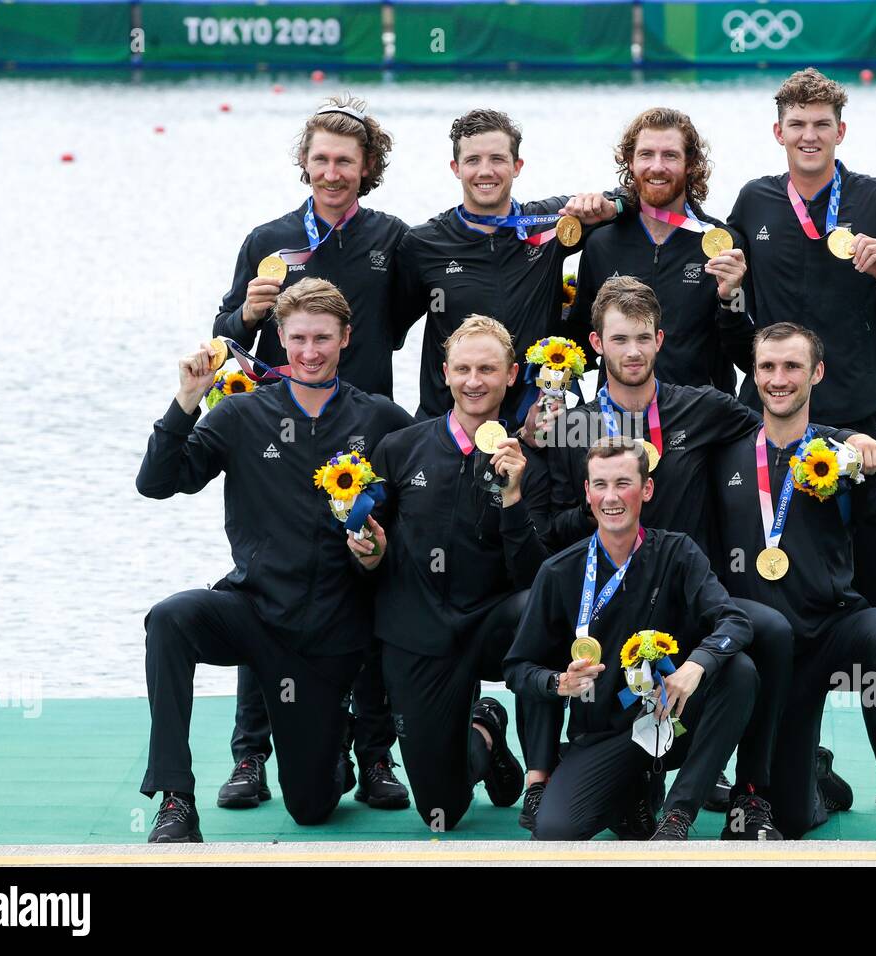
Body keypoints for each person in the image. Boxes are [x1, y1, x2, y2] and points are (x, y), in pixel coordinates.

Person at [544, 276, 876, 835]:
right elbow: (549, 529)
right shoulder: (568, 428)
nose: (632, 352)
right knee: (586, 825)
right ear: (596, 344)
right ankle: (555, 778)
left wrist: (848, 438)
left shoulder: (702, 408)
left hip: (686, 598)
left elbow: (784, 426)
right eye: (619, 339)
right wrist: (603, 504)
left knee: (766, 633)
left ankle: (751, 793)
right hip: (602, 607)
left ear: (661, 340)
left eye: (642, 339)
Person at [729, 68, 876, 812]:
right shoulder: (755, 203)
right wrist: (726, 294)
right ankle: (799, 759)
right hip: (785, 436)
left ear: (840, 131)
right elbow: (741, 337)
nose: (809, 135)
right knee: (785, 595)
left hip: (872, 433)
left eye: (822, 123)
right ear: (778, 132)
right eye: (797, 123)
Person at [136, 278, 414, 842]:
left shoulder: (380, 420)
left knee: (311, 806)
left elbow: (420, 510)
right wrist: (187, 400)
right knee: (169, 619)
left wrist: (382, 549)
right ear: (280, 340)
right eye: (298, 339)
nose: (310, 352)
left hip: (332, 638)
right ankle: (175, 799)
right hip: (256, 614)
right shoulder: (239, 415)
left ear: (346, 339)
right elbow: (157, 483)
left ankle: (337, 747)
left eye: (323, 339)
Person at [210, 94, 412, 813]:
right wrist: (248, 315)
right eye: (321, 158)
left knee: (371, 587)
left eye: (345, 162)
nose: (332, 172)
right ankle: (248, 757)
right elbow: (224, 339)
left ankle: (376, 754)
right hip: (279, 446)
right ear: (304, 162)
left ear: (367, 169)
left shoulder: (392, 240)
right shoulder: (267, 239)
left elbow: (446, 300)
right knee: (264, 585)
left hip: (366, 441)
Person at [710, 322, 876, 840]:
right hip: (767, 652)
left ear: (817, 373)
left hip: (831, 632)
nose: (779, 379)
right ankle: (817, 781)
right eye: (767, 367)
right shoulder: (724, 454)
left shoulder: (848, 457)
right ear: (753, 374)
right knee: (793, 819)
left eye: (793, 367)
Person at [349, 317, 561, 832]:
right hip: (418, 631)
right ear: (444, 373)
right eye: (463, 369)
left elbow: (535, 575)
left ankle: (540, 778)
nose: (474, 381)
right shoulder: (400, 449)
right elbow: (371, 541)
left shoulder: (527, 461)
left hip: (492, 623)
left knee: (541, 610)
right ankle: (487, 730)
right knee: (442, 812)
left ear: (512, 376)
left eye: (488, 369)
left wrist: (512, 497)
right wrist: (368, 552)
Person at [505, 438, 758, 841]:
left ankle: (677, 814)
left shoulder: (678, 553)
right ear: (586, 493)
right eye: (600, 485)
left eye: (623, 483)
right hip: (604, 735)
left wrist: (696, 665)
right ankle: (632, 795)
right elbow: (518, 669)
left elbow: (735, 621)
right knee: (555, 830)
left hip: (670, 716)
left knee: (738, 673)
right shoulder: (559, 572)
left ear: (646, 489)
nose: (611, 497)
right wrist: (558, 683)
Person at [394, 108, 621, 424]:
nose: (485, 171)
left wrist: (610, 205)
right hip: (446, 425)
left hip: (531, 426)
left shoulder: (551, 222)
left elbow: (630, 198)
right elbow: (392, 332)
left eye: (497, 159)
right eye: (473, 160)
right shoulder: (423, 244)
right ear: (455, 168)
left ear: (517, 166)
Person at [564, 107, 753, 393]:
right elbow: (583, 345)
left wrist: (731, 298)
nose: (657, 166)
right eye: (646, 154)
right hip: (621, 422)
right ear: (630, 161)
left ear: (690, 163)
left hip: (702, 421)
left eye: (670, 155)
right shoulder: (601, 244)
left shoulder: (724, 245)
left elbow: (746, 356)